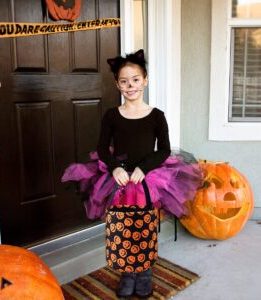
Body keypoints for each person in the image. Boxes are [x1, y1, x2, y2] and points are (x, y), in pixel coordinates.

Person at [62, 49, 202, 298]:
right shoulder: (112, 116)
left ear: (145, 80)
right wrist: (115, 167)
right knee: (121, 227)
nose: (131, 86)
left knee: (144, 227)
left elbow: (165, 150)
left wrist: (144, 168)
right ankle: (127, 273)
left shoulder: (156, 116)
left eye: (136, 80)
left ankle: (145, 272)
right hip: (118, 181)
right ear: (117, 84)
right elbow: (102, 148)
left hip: (148, 180)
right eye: (124, 81)